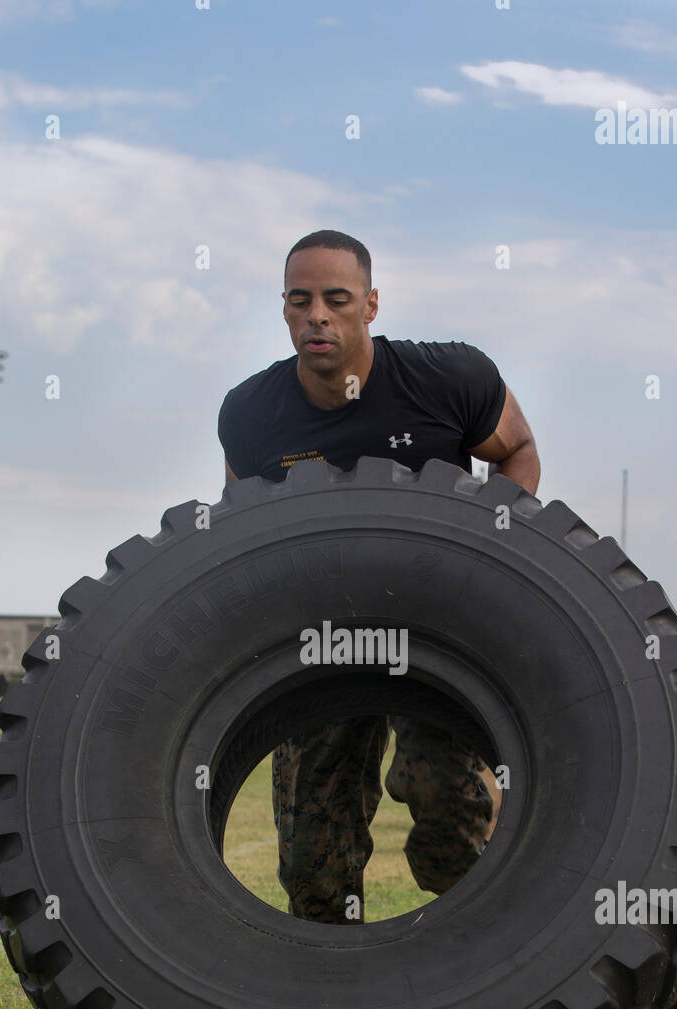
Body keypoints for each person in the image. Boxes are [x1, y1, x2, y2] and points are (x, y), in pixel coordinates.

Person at [217, 229, 541, 924]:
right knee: (314, 869)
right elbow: (239, 533)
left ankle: (474, 966)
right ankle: (337, 998)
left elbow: (516, 451)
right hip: (321, 640)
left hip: (435, 628)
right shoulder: (251, 413)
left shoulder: (450, 380)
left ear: (370, 305)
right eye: (300, 302)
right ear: (282, 309)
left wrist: (490, 558)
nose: (318, 318)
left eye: (336, 300)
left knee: (455, 835)